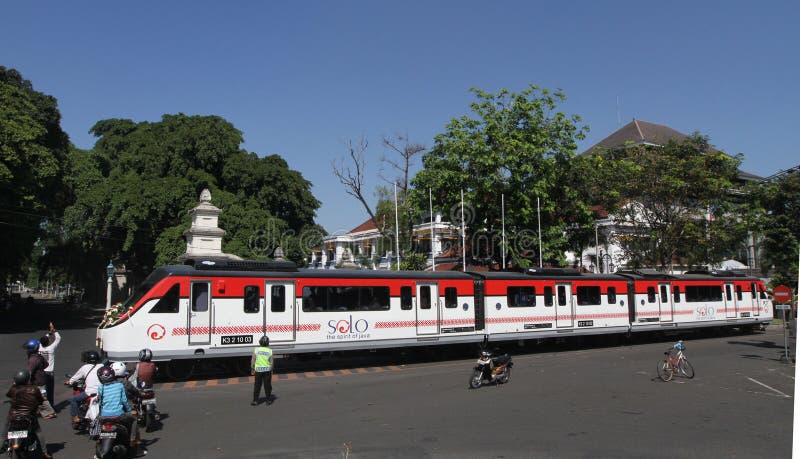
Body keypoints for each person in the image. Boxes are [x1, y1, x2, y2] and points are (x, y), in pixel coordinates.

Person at [1, 370, 53, 459]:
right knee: (38, 432)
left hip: (13, 416)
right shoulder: (34, 389)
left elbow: (9, 396)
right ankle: (45, 453)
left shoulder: (13, 388)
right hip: (29, 416)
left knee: (3, 434)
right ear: (27, 379)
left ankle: (2, 446)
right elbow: (41, 400)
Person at [96, 365, 142, 454]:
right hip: (119, 416)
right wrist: (129, 411)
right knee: (134, 420)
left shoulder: (101, 387)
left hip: (103, 417)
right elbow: (124, 401)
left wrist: (101, 414)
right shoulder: (120, 385)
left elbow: (100, 402)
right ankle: (132, 440)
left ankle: (98, 441)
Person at [65, 350, 103, 426]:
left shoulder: (84, 367)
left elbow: (73, 379)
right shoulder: (102, 366)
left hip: (89, 393)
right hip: (101, 392)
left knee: (73, 399)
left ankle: (75, 417)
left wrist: (69, 382)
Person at [24, 339, 56, 419]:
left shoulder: (33, 359)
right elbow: (46, 364)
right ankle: (44, 411)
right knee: (40, 396)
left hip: (37, 381)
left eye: (28, 348)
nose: (27, 350)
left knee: (41, 398)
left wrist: (26, 382)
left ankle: (50, 413)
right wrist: (40, 369)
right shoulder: (39, 356)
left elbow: (29, 372)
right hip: (42, 379)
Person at [38, 322, 61, 407]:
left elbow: (42, 340)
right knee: (50, 390)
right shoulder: (51, 348)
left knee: (41, 390)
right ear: (48, 343)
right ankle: (51, 406)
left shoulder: (39, 348)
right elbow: (58, 339)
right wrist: (54, 331)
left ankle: (42, 406)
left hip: (41, 372)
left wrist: (49, 333)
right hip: (49, 373)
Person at [251, 335, 274, 406]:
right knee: (267, 386)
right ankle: (268, 400)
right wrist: (272, 370)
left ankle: (255, 401)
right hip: (267, 371)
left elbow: (253, 360)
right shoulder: (270, 351)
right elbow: (271, 362)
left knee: (257, 385)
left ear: (260, 342)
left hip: (258, 371)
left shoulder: (256, 350)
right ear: (268, 343)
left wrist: (252, 368)